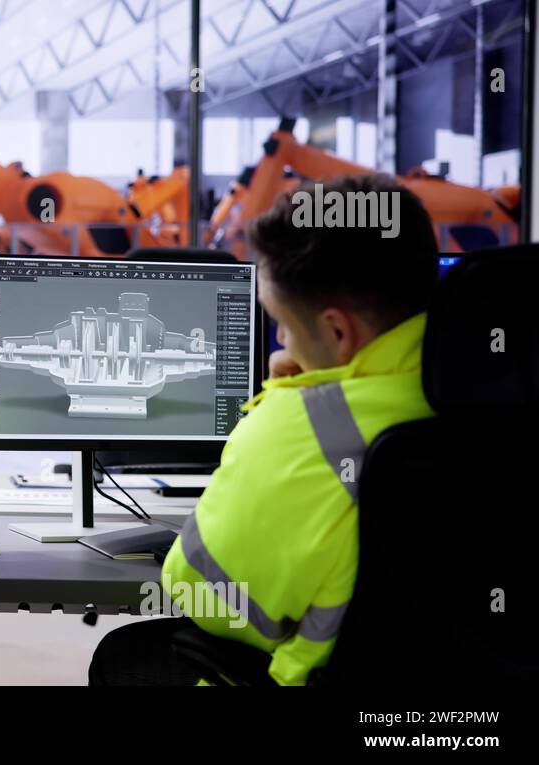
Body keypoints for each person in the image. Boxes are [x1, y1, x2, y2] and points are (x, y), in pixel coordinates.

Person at [89, 175, 440, 686]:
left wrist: (277, 410)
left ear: (338, 332)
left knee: (126, 655)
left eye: (283, 324)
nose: (278, 340)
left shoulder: (301, 428)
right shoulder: (507, 398)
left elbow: (198, 594)